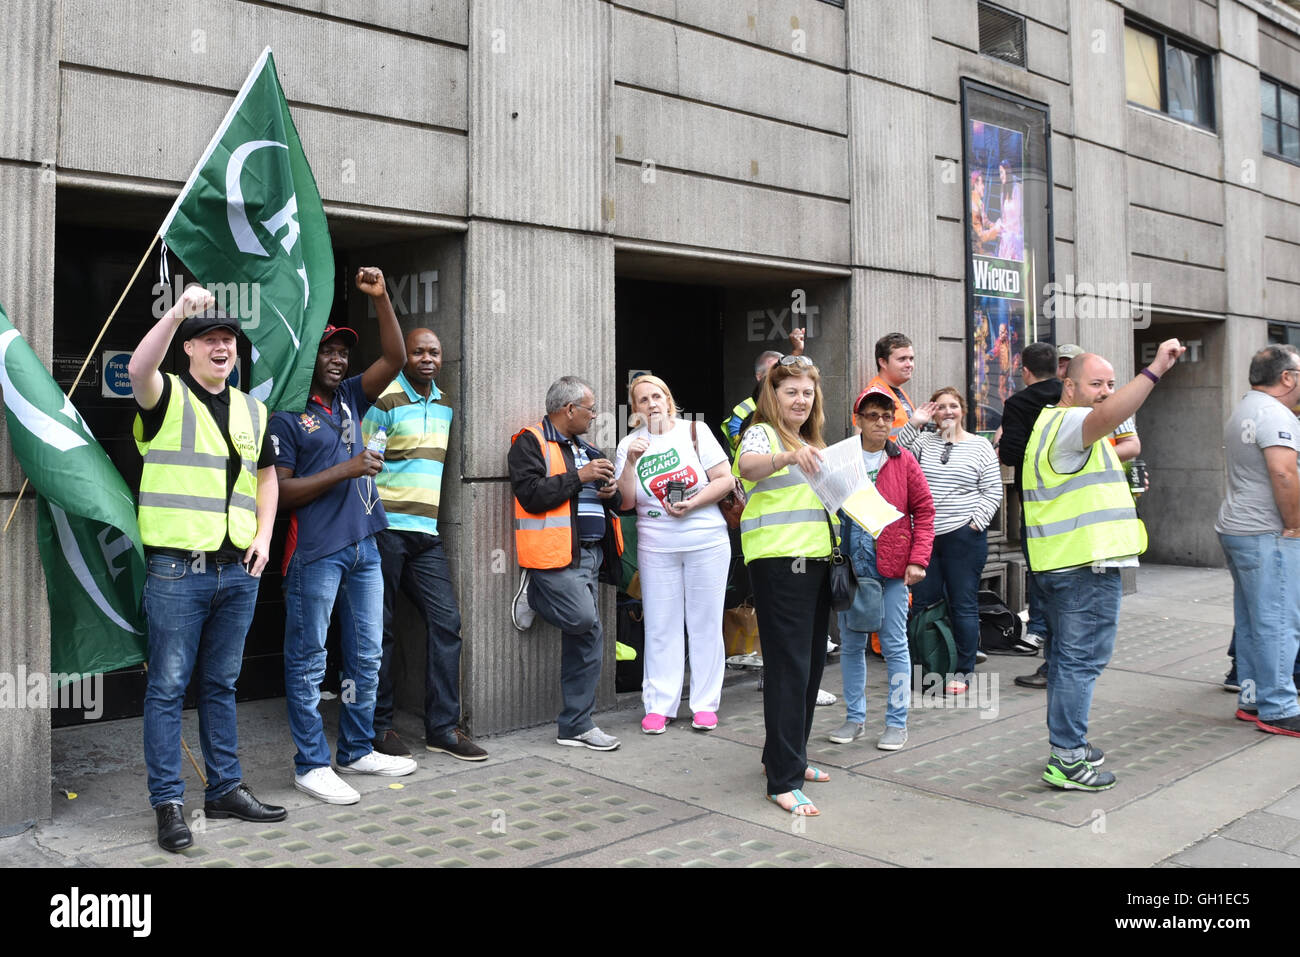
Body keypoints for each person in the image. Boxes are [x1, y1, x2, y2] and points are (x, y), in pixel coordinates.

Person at [129, 285, 284, 852]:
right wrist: (176, 313)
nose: (223, 347)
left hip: (238, 571)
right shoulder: (164, 393)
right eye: (211, 339)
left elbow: (267, 477)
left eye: (230, 341)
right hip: (177, 570)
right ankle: (168, 803)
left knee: (221, 684)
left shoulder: (252, 408)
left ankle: (224, 788)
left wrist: (265, 537)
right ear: (189, 349)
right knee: (167, 688)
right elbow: (136, 367)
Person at [271, 267, 415, 806]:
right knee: (309, 660)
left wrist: (380, 298)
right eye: (328, 351)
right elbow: (282, 495)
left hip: (365, 545)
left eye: (342, 352)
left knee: (367, 655)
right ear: (309, 357)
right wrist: (349, 468)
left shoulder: (353, 395)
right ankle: (310, 764)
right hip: (315, 553)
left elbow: (396, 359)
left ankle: (356, 749)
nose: (338, 359)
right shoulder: (285, 415)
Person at [1025, 338, 1185, 791]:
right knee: (1081, 662)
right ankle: (1069, 758)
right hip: (1083, 568)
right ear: (1068, 386)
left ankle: (1069, 744)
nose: (1107, 392)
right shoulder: (1074, 421)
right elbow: (1106, 417)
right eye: (1097, 383)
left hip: (1064, 565)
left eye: (1112, 384)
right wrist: (1154, 370)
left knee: (1065, 660)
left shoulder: (1054, 426)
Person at [363, 328, 487, 762]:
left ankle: (442, 728)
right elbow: (365, 464)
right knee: (381, 629)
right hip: (385, 530)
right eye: (418, 351)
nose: (427, 358)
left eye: (434, 351)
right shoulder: (384, 400)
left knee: (447, 621)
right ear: (405, 357)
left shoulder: (446, 403)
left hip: (426, 535)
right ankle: (379, 727)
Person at [734, 355, 834, 816]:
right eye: (790, 390)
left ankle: (788, 756)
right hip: (778, 561)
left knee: (810, 664)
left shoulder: (811, 439)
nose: (800, 398)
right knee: (790, 666)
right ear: (772, 395)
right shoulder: (762, 431)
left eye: (807, 392)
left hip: (814, 561)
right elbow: (748, 468)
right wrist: (788, 455)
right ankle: (782, 780)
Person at [509, 376, 626, 751]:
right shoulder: (529, 441)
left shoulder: (586, 447)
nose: (594, 415)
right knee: (584, 621)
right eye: (590, 409)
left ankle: (576, 725)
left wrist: (610, 491)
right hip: (556, 556)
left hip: (591, 554)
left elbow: (614, 499)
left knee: (587, 634)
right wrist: (581, 476)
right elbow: (530, 495)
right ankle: (538, 595)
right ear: (569, 409)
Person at [613, 375, 733, 733]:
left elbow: (724, 479)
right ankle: (659, 704)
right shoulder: (628, 445)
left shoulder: (695, 431)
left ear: (668, 399)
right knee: (661, 624)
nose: (651, 404)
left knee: (705, 623)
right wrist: (631, 463)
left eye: (656, 396)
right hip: (656, 544)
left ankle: (704, 704)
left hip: (706, 539)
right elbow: (627, 502)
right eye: (642, 399)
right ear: (634, 409)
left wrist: (693, 502)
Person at [828, 387, 933, 750]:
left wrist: (919, 560)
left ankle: (897, 722)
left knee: (894, 646)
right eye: (872, 415)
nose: (881, 422)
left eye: (887, 416)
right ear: (857, 420)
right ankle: (854, 719)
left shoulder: (903, 460)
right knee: (852, 646)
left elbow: (925, 511)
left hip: (890, 570)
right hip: (850, 571)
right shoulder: (840, 459)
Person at [1215, 344, 1300, 737]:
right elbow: (1284, 473)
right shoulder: (1274, 413)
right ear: (1287, 377)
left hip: (1239, 528)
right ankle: (1279, 707)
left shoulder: (1246, 408)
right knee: (1279, 622)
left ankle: (1251, 699)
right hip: (1268, 531)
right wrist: (1296, 525)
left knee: (1252, 620)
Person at [899, 387, 1002, 695]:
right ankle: (927, 667)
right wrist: (914, 422)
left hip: (964, 538)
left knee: (963, 604)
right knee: (924, 605)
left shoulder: (980, 447)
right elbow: (894, 454)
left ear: (962, 410)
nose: (947, 411)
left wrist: (974, 525)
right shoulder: (923, 442)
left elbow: (993, 490)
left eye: (953, 406)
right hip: (926, 537)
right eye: (941, 407)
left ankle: (963, 670)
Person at [720, 327, 805, 453]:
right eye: (774, 373)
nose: (780, 377)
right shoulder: (743, 412)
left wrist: (797, 351)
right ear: (759, 377)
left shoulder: (794, 402)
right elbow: (740, 447)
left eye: (782, 373)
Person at [865, 332, 917, 438]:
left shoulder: (896, 389)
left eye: (911, 359)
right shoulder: (875, 395)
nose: (909, 365)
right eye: (902, 359)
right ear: (883, 363)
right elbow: (866, 443)